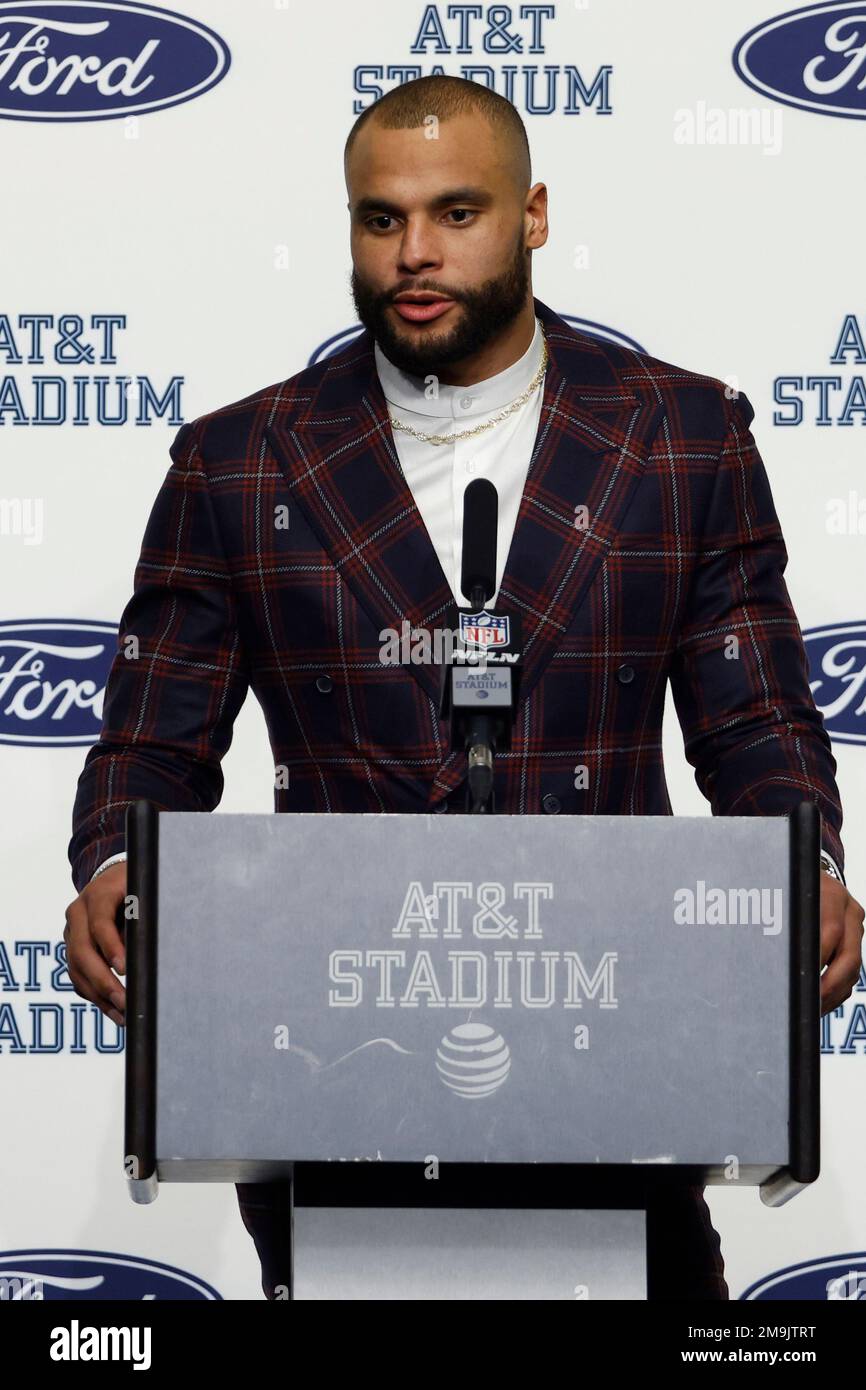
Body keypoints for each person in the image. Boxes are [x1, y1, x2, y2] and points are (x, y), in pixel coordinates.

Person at [65, 75, 864, 1301]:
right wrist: (115, 866)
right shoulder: (236, 461)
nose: (415, 254)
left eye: (455, 211)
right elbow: (152, 740)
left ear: (533, 215)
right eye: (379, 221)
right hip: (335, 1070)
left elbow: (751, 715)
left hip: (621, 1059)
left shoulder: (682, 436)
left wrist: (803, 862)